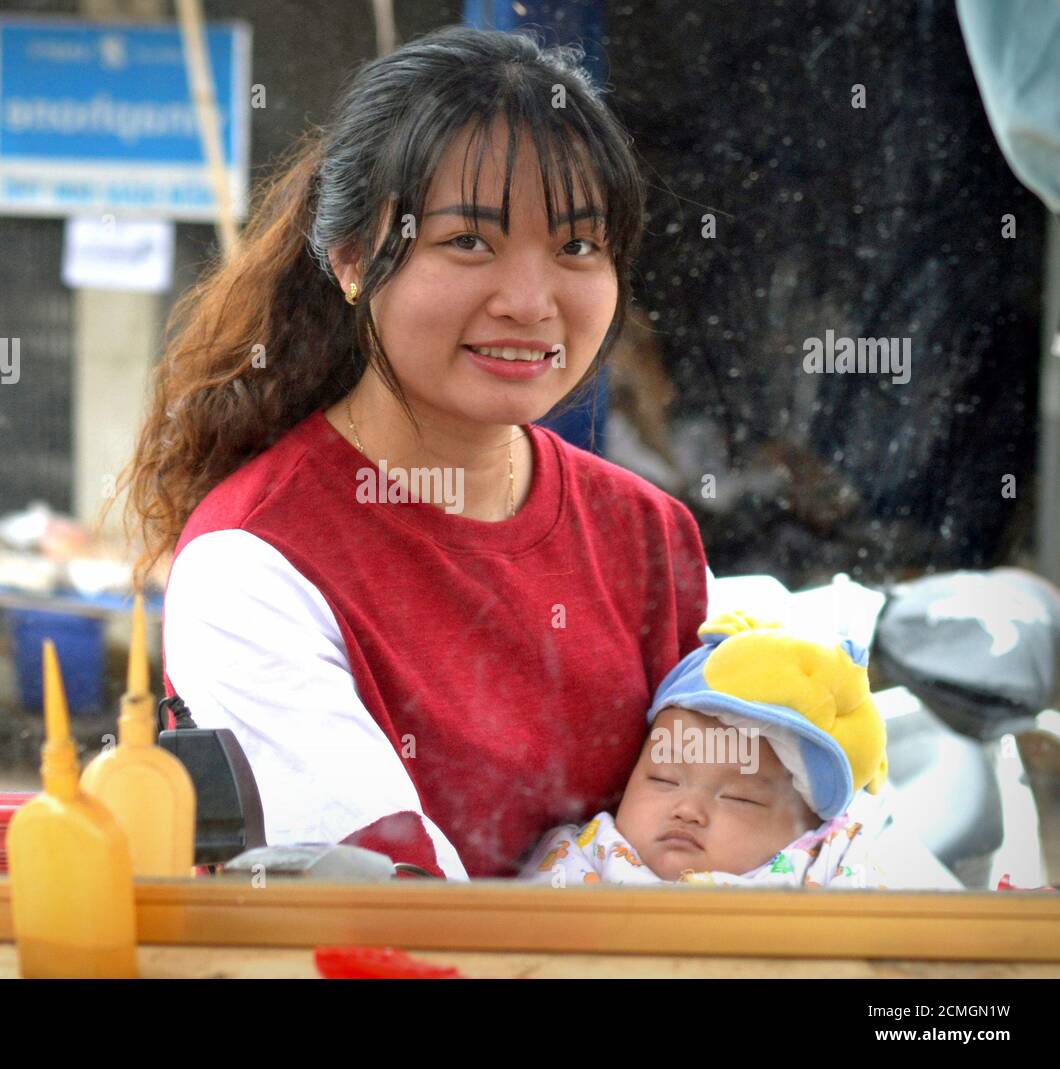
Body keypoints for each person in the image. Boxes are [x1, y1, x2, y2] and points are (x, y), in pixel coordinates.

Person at [115, 27, 710, 880]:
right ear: (353, 260)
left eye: (578, 245)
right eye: (470, 241)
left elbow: (751, 840)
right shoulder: (255, 562)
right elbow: (394, 899)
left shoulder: (652, 534)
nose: (530, 301)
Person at [521, 611, 892, 887]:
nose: (687, 811)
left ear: (812, 825)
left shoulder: (830, 861)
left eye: (739, 798)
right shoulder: (586, 853)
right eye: (663, 779)